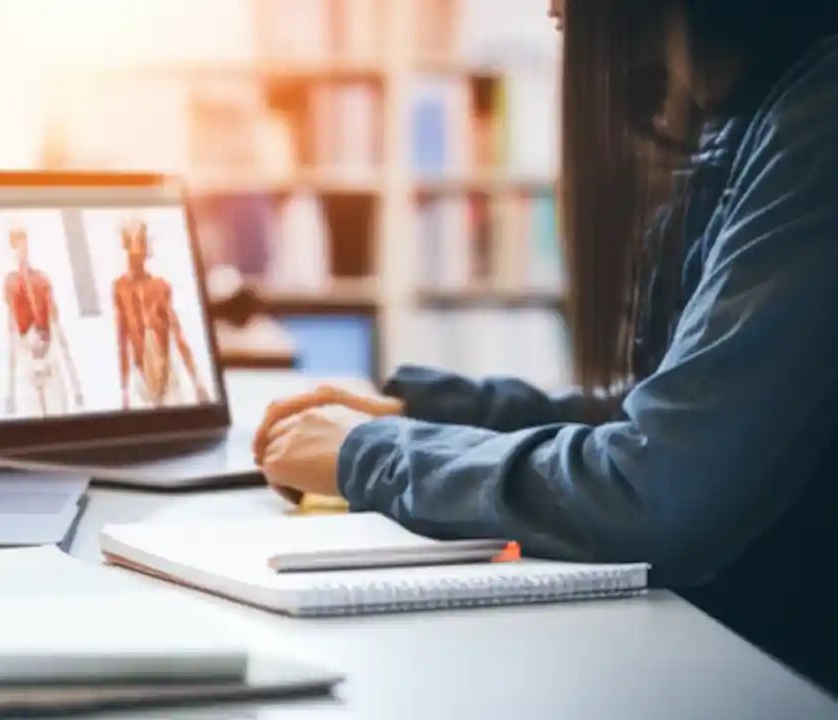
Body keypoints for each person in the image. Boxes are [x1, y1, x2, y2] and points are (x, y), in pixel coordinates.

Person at [255, 0, 838, 692]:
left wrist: (370, 455)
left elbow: (654, 489)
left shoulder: (817, 123)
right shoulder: (755, 111)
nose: (549, 7)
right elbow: (667, 419)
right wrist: (428, 413)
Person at [113, 217, 211, 409]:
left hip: (166, 374)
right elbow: (122, 338)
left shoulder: (160, 287)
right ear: (125, 244)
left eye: (140, 242)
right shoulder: (120, 288)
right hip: (141, 376)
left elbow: (177, 333)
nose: (137, 250)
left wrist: (196, 380)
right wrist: (124, 391)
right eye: (133, 242)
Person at [3, 227, 82, 417]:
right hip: (28, 359)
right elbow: (11, 331)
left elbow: (58, 328)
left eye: (23, 244)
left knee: (59, 417)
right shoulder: (11, 283)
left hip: (48, 359)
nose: (21, 250)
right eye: (17, 245)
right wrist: (10, 392)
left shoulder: (41, 280)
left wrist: (75, 384)